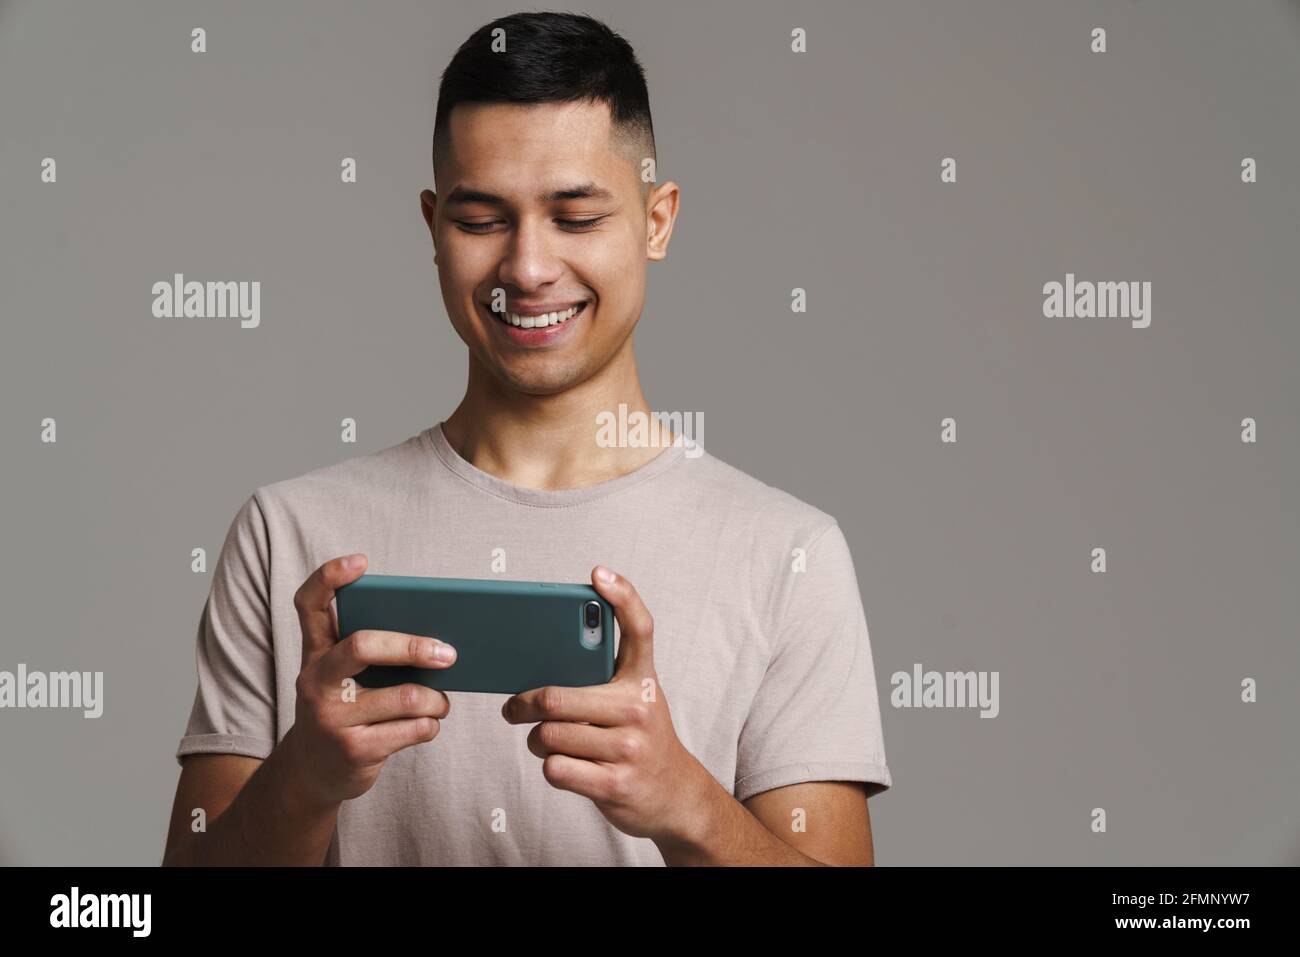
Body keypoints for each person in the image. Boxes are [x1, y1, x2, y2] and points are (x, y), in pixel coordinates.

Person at [162, 11, 891, 867]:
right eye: (482, 219)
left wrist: (685, 802)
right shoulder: (287, 536)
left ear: (657, 222)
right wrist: (305, 778)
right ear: (433, 227)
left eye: (576, 217)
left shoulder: (789, 554)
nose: (528, 267)